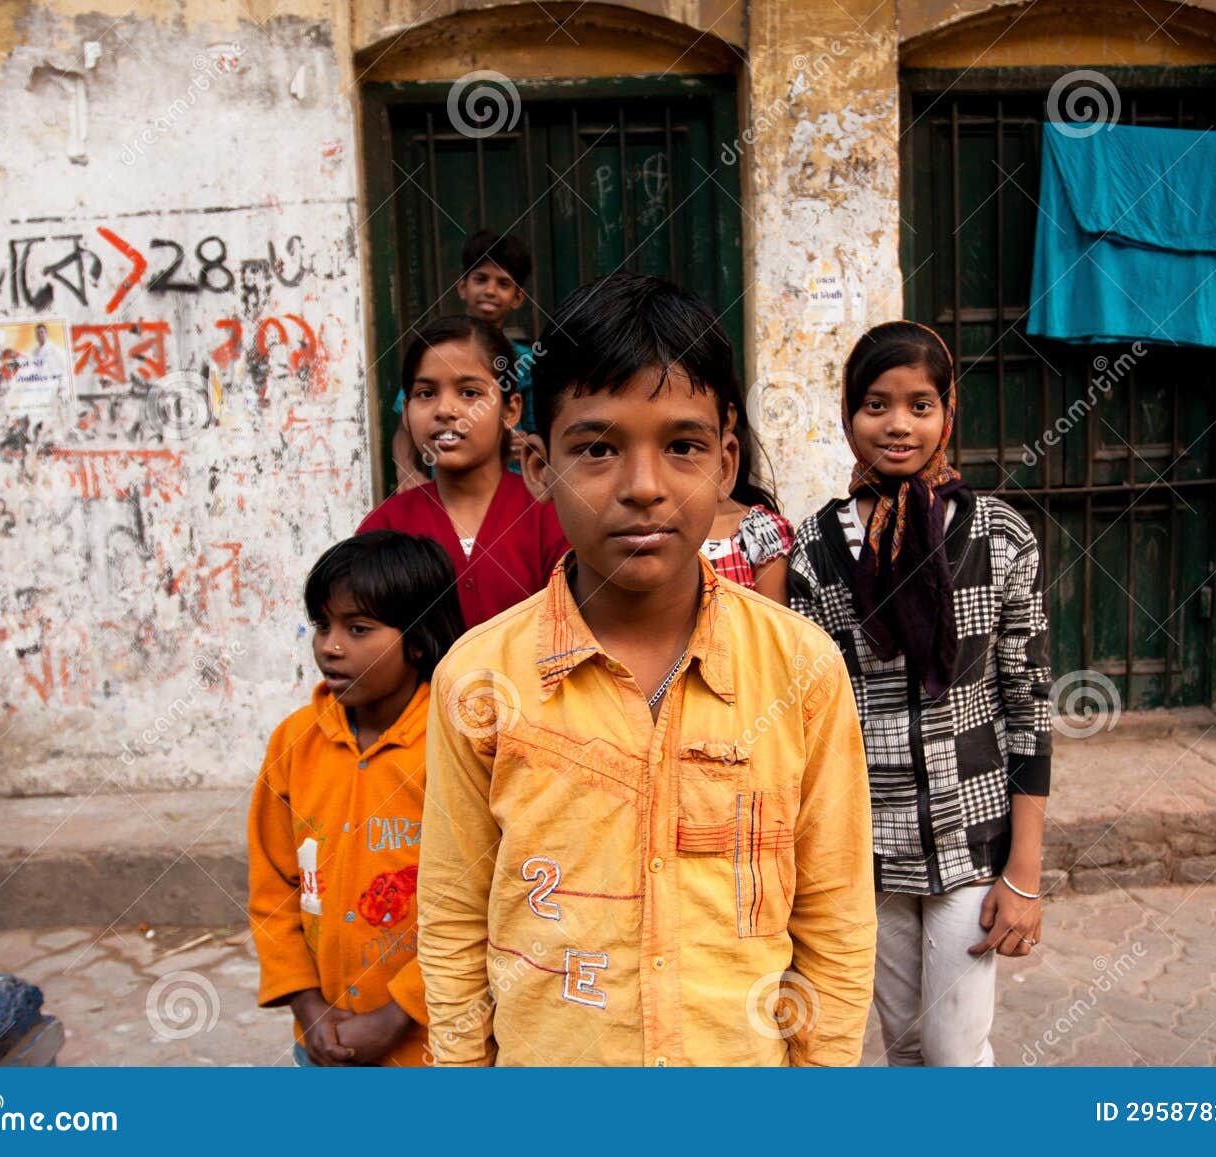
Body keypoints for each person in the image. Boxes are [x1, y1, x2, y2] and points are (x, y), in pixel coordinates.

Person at [417, 272, 876, 1067]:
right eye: (596, 448)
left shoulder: (802, 670)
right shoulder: (480, 679)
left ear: (727, 461)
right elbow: (454, 917)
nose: (642, 487)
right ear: (538, 465)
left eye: (683, 447)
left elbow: (835, 920)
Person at [787, 321, 1054, 1067]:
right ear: (847, 416)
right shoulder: (814, 550)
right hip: (867, 845)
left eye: (919, 404)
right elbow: (812, 716)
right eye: (875, 404)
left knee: (955, 1049)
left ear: (948, 413)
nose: (897, 424)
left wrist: (1023, 875)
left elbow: (1029, 704)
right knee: (902, 1044)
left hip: (972, 840)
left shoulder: (1000, 537)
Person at [247, 531, 465, 1067]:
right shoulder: (294, 743)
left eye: (358, 628)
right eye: (323, 625)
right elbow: (272, 885)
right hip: (324, 1040)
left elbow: (476, 899)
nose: (330, 646)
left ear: (417, 639)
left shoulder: (455, 744)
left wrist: (397, 1014)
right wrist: (306, 1005)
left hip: (431, 1048)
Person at [359, 316, 568, 629]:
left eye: (470, 393)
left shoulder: (550, 516)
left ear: (511, 410)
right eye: (426, 393)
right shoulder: (385, 526)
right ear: (406, 411)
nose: (445, 410)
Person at [393, 230, 537, 485]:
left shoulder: (527, 362)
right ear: (462, 286)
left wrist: (528, 443)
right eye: (481, 279)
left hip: (513, 488)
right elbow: (404, 432)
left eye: (503, 283)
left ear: (517, 297)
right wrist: (407, 473)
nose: (490, 291)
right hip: (449, 486)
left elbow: (545, 433)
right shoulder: (434, 353)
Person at [701, 403, 794, 602]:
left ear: (727, 418)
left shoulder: (759, 531)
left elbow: (774, 625)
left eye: (681, 447)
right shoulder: (640, 532)